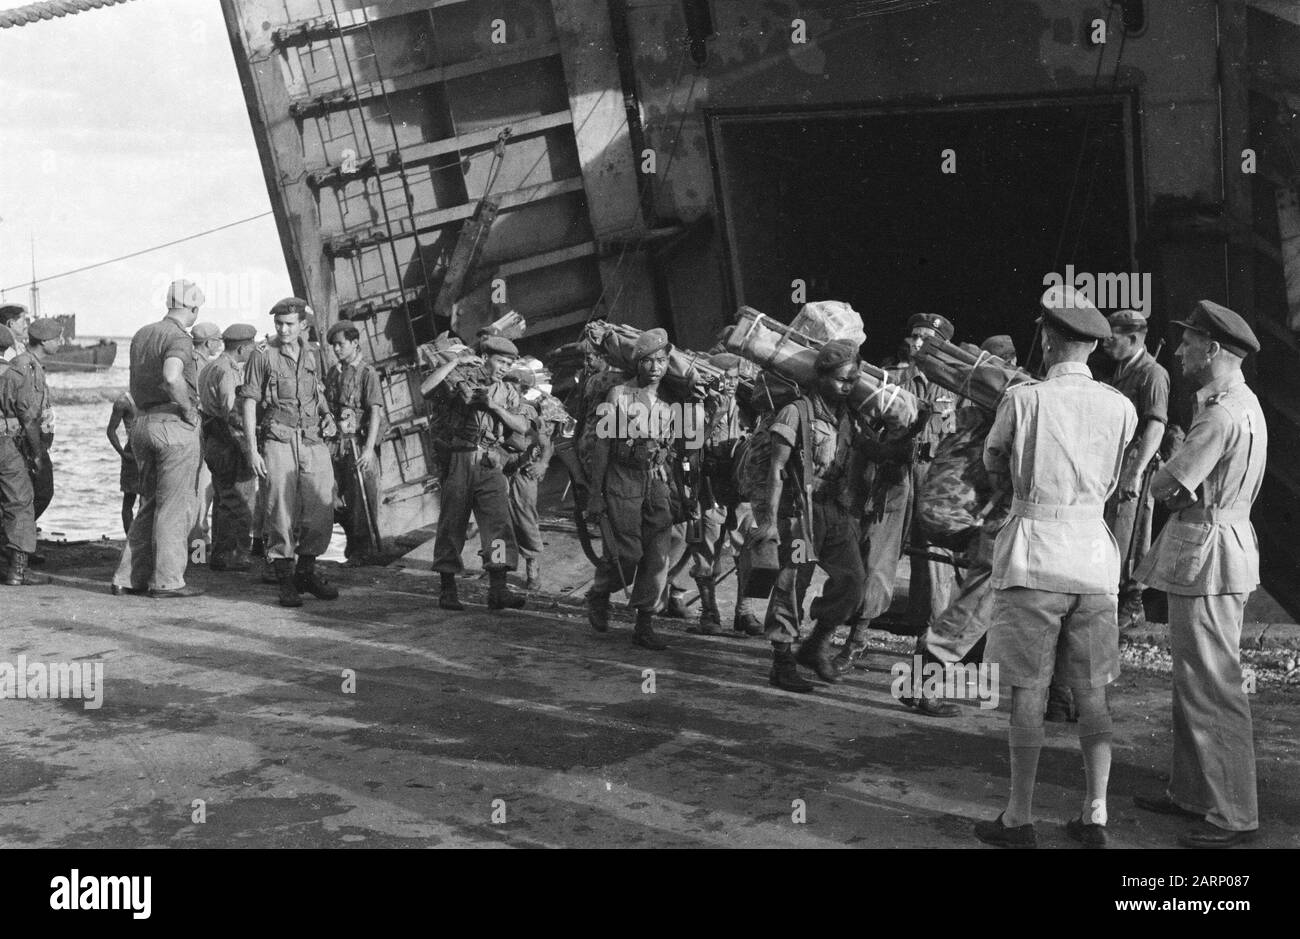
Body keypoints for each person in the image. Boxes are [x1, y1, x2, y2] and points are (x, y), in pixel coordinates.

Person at [973, 286, 1135, 849]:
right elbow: (1115, 481)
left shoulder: (1024, 400)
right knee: (1092, 692)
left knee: (1029, 692)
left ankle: (1019, 818)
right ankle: (1095, 813)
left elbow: (994, 458)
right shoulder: (1122, 407)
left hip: (1034, 559)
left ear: (1046, 338)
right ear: (1093, 346)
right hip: (1093, 561)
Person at [1132, 300, 1266, 848]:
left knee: (1214, 686)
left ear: (1213, 349)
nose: (1182, 348)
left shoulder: (1219, 414)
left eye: (1189, 341)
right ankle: (1192, 794)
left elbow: (1169, 487)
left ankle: (1235, 814)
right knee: (1198, 682)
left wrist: (1160, 463)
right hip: (1223, 549)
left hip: (1208, 553)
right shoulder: (1243, 403)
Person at [839, 314, 957, 668]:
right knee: (878, 552)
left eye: (928, 338)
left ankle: (929, 647)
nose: (918, 343)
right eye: (916, 336)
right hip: (896, 474)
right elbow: (867, 426)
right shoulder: (894, 381)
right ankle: (857, 637)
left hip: (937, 478)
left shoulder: (956, 387)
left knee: (938, 564)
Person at [753, 338, 866, 692]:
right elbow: (776, 470)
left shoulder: (848, 416)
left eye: (853, 381)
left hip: (835, 511)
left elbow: (865, 451)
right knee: (791, 584)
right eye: (841, 380)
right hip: (802, 511)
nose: (847, 387)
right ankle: (782, 660)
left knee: (853, 582)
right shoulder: (796, 412)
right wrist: (769, 521)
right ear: (821, 377)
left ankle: (816, 644)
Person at [240, 298, 340, 608]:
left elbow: (317, 391)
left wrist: (328, 416)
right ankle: (285, 581)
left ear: (303, 326)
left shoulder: (314, 352)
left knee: (322, 506)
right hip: (279, 440)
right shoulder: (262, 355)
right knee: (279, 509)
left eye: (289, 324)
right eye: (279, 324)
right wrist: (252, 450)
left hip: (312, 438)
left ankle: (306, 573)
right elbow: (249, 403)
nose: (283, 330)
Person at [110, 280, 206, 599]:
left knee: (149, 503)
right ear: (191, 309)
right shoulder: (179, 337)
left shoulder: (142, 334)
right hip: (172, 425)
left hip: (142, 425)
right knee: (174, 506)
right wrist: (190, 409)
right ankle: (167, 580)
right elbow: (171, 376)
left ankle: (128, 577)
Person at [585, 328, 678, 650]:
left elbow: (678, 449)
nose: (655, 367)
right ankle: (599, 593)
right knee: (628, 553)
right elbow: (602, 446)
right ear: (638, 364)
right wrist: (595, 494)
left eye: (662, 361)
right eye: (649, 361)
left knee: (660, 554)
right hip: (622, 477)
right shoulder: (619, 395)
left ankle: (644, 623)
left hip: (656, 479)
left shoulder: (672, 400)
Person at [429, 334, 528, 611]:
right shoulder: (462, 377)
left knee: (497, 524)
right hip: (460, 457)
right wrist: (456, 362)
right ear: (486, 358)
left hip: (490, 461)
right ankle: (448, 589)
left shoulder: (507, 392)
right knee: (452, 523)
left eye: (509, 363)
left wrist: (492, 405)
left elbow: (521, 427)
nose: (505, 368)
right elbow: (427, 388)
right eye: (500, 361)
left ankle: (497, 589)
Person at [1100, 309, 1170, 629]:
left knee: (1131, 534)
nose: (1105, 341)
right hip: (1117, 461)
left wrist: (1137, 470)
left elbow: (1155, 426)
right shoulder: (1123, 370)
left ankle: (1131, 604)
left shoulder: (1152, 373)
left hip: (1135, 464)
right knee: (1114, 531)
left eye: (1112, 336)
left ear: (1132, 338)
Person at [199, 324, 259, 572]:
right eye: (252, 346)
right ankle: (239, 555)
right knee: (243, 500)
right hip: (229, 443)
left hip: (213, 441)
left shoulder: (210, 367)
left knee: (224, 500)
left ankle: (221, 555)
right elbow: (233, 412)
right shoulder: (228, 372)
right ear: (243, 348)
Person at [325, 320, 385, 566]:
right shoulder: (333, 373)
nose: (336, 349)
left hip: (358, 445)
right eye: (333, 346)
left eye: (340, 344)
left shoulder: (367, 373)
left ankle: (363, 551)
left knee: (362, 499)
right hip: (335, 444)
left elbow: (375, 413)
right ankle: (353, 541)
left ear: (354, 343)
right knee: (332, 497)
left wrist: (369, 450)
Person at [0, 323, 48, 586]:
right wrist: (37, 453)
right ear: (7, 345)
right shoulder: (13, 373)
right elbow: (27, 418)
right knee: (19, 501)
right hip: (4, 442)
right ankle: (17, 571)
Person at [503, 367, 558, 589]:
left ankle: (532, 566)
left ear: (522, 388)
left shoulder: (530, 411)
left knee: (525, 519)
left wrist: (542, 464)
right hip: (498, 468)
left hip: (522, 470)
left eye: (512, 385)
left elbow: (546, 444)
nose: (508, 388)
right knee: (497, 522)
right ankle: (499, 569)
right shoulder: (496, 404)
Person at [11, 318, 61, 528]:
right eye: (57, 339)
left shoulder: (29, 363)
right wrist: (38, 453)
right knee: (42, 492)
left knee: (28, 494)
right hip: (27, 443)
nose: (60, 343)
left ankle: (18, 540)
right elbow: (28, 415)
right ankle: (15, 540)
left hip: (27, 442)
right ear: (43, 341)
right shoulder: (28, 366)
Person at [106, 390, 139, 535]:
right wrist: (123, 454)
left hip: (150, 451)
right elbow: (111, 430)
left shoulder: (152, 395)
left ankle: (141, 540)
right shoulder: (123, 402)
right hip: (132, 452)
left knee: (148, 500)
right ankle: (131, 541)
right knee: (129, 500)